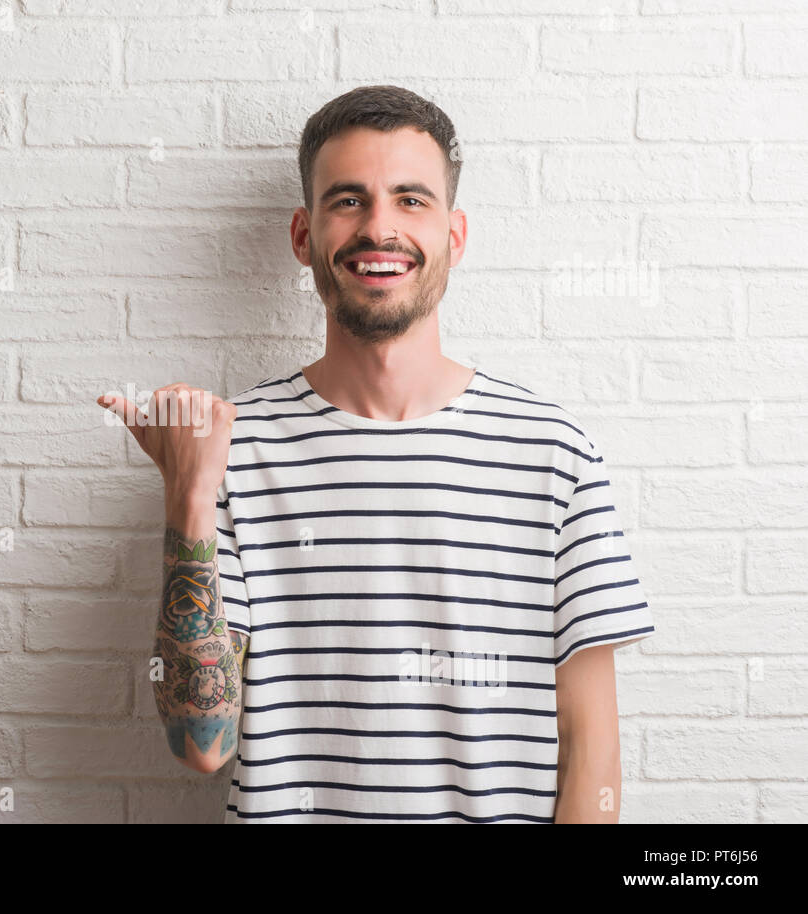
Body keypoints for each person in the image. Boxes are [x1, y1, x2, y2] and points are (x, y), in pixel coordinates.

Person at [98, 85, 654, 823]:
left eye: (410, 200)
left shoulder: (553, 453)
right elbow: (201, 740)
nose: (379, 228)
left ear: (455, 235)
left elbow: (593, 750)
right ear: (304, 234)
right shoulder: (234, 448)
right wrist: (188, 492)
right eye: (349, 201)